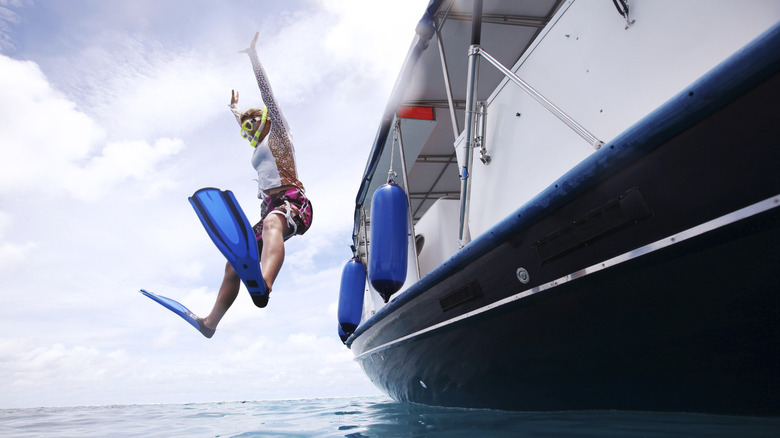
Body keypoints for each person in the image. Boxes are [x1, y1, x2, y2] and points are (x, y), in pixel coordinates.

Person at [195, 32, 313, 338]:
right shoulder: (258, 144)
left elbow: (267, 96)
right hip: (271, 209)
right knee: (236, 261)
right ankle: (210, 323)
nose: (248, 132)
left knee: (274, 222)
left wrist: (253, 57)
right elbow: (243, 122)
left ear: (264, 121)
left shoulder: (279, 135)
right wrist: (234, 110)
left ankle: (264, 284)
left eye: (250, 125)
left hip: (293, 203)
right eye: (244, 129)